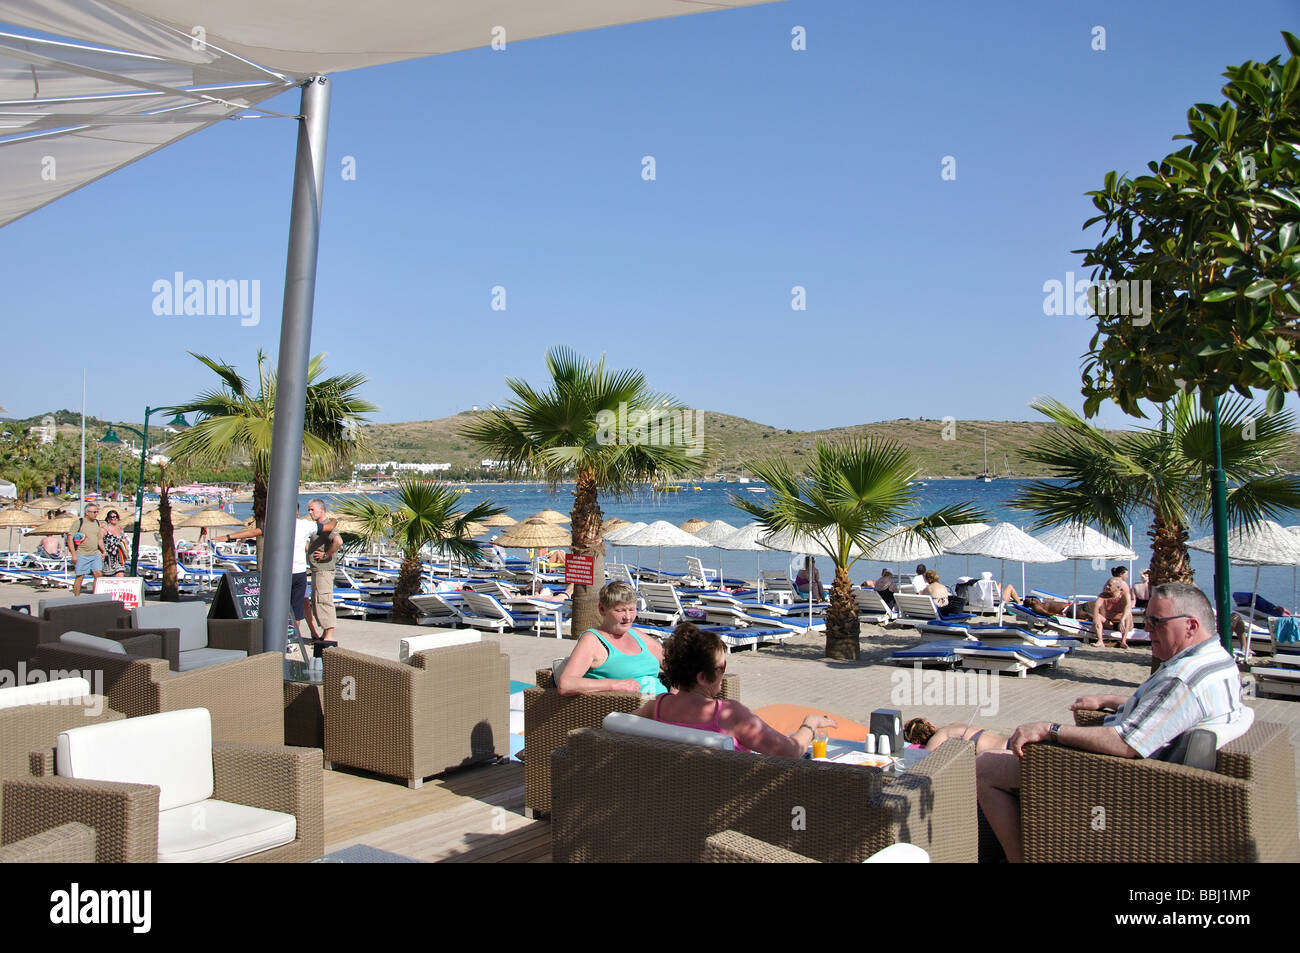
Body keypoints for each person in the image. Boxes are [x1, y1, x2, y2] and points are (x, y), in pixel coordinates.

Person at [976, 582, 1251, 863]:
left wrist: (1051, 730)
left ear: (1190, 626)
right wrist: (1110, 698)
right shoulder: (1217, 662)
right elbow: (1168, 711)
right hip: (1155, 780)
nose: (1147, 630)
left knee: (986, 766)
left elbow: (1127, 743)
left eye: (1156, 622)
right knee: (1005, 750)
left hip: (1120, 785)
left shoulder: (1183, 679)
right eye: (1146, 620)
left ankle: (1018, 859)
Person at [634, 623, 837, 756]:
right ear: (703, 678)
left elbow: (618, 724)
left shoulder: (656, 707)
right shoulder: (729, 714)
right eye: (722, 667)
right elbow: (790, 752)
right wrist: (811, 724)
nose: (724, 671)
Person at [216, 505, 333, 645]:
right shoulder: (305, 525)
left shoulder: (277, 525)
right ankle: (291, 638)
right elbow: (328, 527)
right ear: (297, 512)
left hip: (281, 572)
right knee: (296, 608)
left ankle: (281, 637)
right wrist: (334, 521)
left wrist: (228, 537)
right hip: (299, 572)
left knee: (278, 606)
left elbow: (253, 532)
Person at [557, 580, 667, 696]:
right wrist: (615, 685)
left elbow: (674, 665)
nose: (628, 617)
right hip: (634, 710)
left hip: (664, 703)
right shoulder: (592, 640)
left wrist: (677, 688)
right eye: (620, 610)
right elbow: (566, 684)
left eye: (632, 610)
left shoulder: (636, 635)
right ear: (602, 609)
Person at [305, 499, 342, 644]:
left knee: (324, 600)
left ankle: (329, 636)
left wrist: (326, 555)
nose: (310, 512)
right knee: (317, 601)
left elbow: (338, 541)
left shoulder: (327, 526)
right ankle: (325, 634)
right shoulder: (318, 527)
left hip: (324, 570)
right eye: (309, 509)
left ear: (321, 510)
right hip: (317, 569)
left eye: (312, 509)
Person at [904, 717, 1010, 754]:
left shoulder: (937, 738)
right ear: (930, 724)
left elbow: (922, 764)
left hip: (1002, 753)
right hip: (1009, 741)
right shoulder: (954, 725)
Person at [67, 503, 105, 595]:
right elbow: (69, 539)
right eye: (94, 512)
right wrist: (73, 555)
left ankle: (95, 595)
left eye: (97, 512)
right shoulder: (79, 523)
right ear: (87, 513)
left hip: (94, 554)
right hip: (81, 553)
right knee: (80, 576)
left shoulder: (97, 523)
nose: (96, 514)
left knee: (98, 574)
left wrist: (103, 551)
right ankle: (77, 597)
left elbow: (99, 538)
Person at [1087, 575, 1133, 648]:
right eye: (1106, 585)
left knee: (1128, 614)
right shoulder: (1103, 595)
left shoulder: (1124, 595)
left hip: (1123, 623)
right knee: (1097, 616)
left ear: (1118, 588)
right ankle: (1100, 641)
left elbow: (1128, 606)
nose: (1107, 587)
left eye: (1109, 585)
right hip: (1110, 623)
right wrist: (1095, 619)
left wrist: (1122, 620)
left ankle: (1123, 641)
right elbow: (1096, 606)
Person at [101, 509, 130, 577]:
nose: (114, 518)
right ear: (108, 519)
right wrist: (102, 551)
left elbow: (124, 540)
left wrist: (126, 551)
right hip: (108, 555)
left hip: (119, 555)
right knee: (107, 576)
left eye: (116, 517)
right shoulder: (105, 528)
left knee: (120, 574)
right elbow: (99, 540)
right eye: (112, 517)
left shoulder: (120, 528)